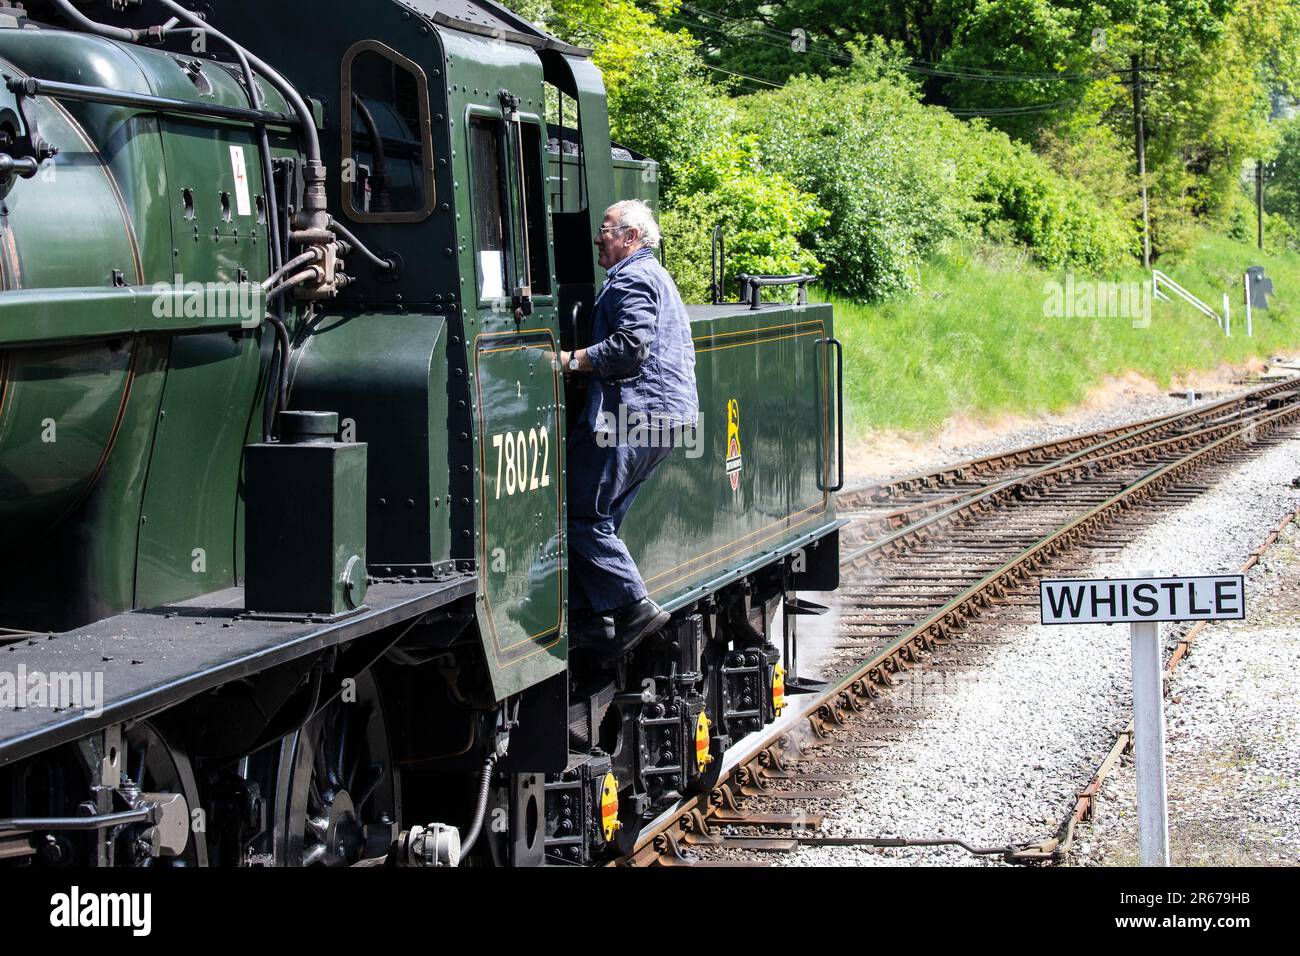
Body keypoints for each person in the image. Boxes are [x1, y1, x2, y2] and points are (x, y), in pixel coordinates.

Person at [557, 200, 698, 660]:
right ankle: (597, 618)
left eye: (606, 230)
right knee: (604, 516)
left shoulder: (633, 277)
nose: (599, 238)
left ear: (631, 237)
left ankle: (632, 607)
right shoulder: (654, 274)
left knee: (577, 511)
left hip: (634, 414)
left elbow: (630, 346)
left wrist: (572, 360)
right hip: (663, 416)